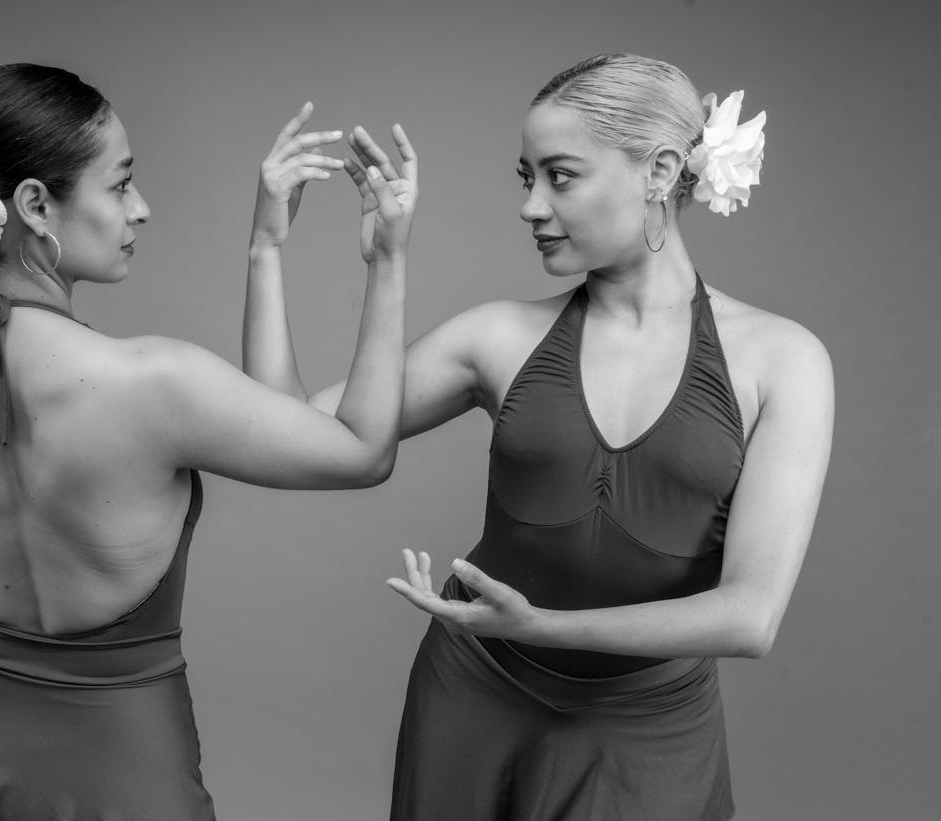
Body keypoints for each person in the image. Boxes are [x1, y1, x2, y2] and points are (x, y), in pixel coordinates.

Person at [242, 53, 833, 820]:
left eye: (560, 176)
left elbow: (749, 616)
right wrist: (281, 251)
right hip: (474, 696)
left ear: (658, 172)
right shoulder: (496, 337)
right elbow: (282, 437)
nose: (530, 206)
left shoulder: (782, 361)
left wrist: (541, 624)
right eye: (526, 178)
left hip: (648, 725)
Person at [0, 63, 417, 820]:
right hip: (122, 768)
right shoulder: (155, 383)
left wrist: (2, 606)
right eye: (119, 185)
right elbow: (360, 448)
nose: (140, 209)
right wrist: (381, 259)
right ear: (37, 204)